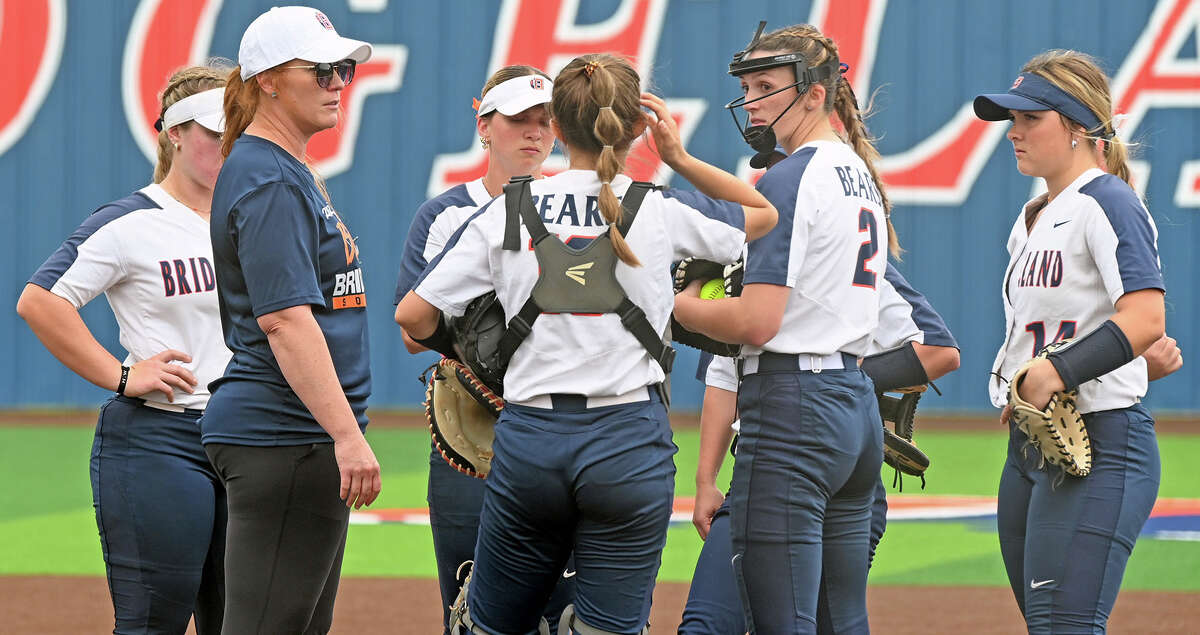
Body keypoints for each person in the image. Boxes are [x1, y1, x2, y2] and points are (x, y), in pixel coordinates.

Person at [396, 53, 776, 635]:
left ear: (555, 125)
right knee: (610, 627)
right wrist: (677, 156)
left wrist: (485, 358)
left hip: (530, 442)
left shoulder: (507, 209)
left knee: (493, 625)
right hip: (627, 443)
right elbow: (762, 214)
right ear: (634, 128)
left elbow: (414, 316)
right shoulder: (659, 208)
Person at [672, 22, 892, 633]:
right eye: (747, 86)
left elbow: (758, 322)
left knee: (782, 621)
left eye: (766, 85)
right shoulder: (857, 171)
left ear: (816, 93)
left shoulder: (791, 177)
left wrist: (676, 308)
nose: (751, 100)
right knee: (840, 620)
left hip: (796, 407)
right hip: (853, 403)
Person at [16, 63, 231, 634]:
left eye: (237, 127)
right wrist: (121, 376)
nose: (227, 142)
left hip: (248, 440)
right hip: (161, 441)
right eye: (213, 130)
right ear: (173, 133)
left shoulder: (255, 220)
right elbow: (41, 300)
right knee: (152, 624)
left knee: (244, 623)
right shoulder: (132, 221)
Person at [974, 49, 1167, 634]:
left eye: (1032, 118)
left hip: (1103, 444)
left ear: (1078, 127)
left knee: (1066, 625)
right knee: (1047, 625)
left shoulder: (1108, 201)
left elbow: (1146, 317)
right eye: (1013, 119)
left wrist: (1057, 372)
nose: (1015, 132)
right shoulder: (1033, 216)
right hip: (1034, 447)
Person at [202, 7, 380, 633]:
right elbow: (284, 321)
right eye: (323, 69)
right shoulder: (268, 176)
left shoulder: (280, 168)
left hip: (295, 436)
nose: (338, 82)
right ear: (269, 80)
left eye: (345, 70)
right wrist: (346, 436)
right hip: (284, 435)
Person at [392, 64, 575, 634]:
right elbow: (408, 330)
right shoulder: (446, 215)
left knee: (567, 612)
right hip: (473, 428)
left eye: (546, 122)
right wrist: (479, 349)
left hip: (563, 427)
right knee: (470, 604)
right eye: (520, 120)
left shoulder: (579, 205)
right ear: (485, 125)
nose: (535, 133)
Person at [680, 263, 960, 634]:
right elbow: (723, 377)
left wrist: (842, 381)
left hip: (838, 469)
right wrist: (705, 480)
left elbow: (940, 350)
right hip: (763, 463)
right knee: (707, 624)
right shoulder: (748, 254)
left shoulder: (854, 250)